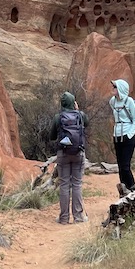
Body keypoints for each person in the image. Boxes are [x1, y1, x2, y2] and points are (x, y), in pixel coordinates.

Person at [50, 91, 87, 224]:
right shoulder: (81, 115)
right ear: (73, 103)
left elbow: (52, 136)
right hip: (78, 153)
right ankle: (78, 217)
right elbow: (86, 125)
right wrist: (77, 110)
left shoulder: (58, 117)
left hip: (63, 153)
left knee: (64, 184)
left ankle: (64, 218)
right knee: (77, 184)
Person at [109, 78, 135, 195]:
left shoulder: (129, 102)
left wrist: (130, 134)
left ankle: (133, 190)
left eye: (115, 87)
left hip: (128, 136)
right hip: (117, 136)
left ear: (121, 89)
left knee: (125, 166)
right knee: (120, 166)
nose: (113, 88)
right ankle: (123, 191)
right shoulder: (113, 101)